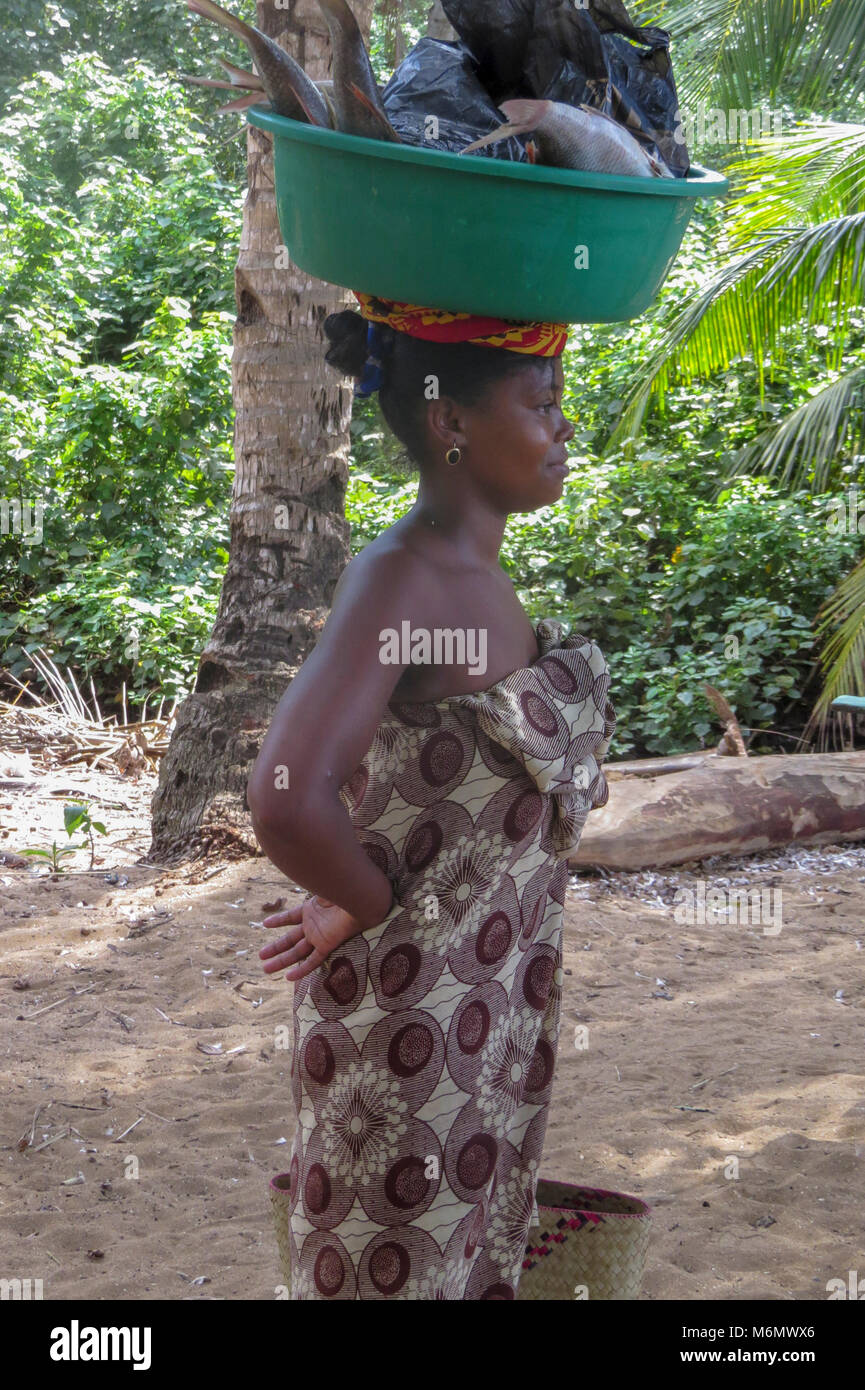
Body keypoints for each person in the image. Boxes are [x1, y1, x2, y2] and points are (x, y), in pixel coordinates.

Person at [246, 293, 616, 1300]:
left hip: (479, 1023)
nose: (563, 424)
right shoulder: (400, 579)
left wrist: (369, 888)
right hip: (413, 1033)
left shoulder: (469, 574)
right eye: (542, 400)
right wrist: (364, 902)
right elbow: (285, 796)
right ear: (452, 424)